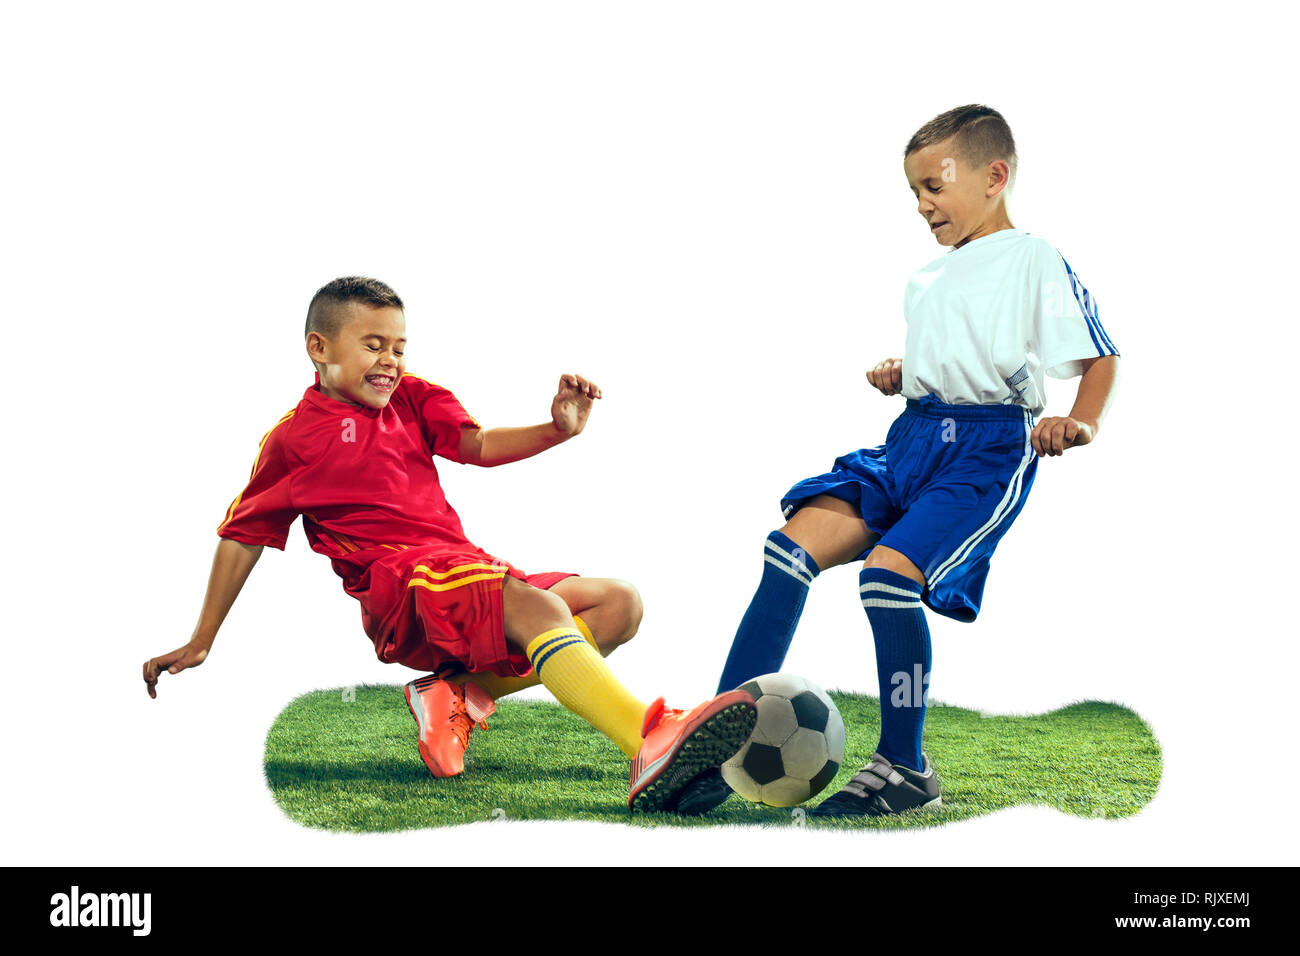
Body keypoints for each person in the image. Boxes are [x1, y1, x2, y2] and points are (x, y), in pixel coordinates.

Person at [143, 276, 755, 812]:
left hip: (461, 567)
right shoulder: (294, 441)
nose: (390, 361)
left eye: (399, 347)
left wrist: (557, 430)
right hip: (402, 587)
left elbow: (478, 446)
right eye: (373, 345)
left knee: (619, 604)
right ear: (318, 348)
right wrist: (202, 639)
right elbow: (242, 537)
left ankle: (458, 692)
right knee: (541, 610)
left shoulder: (411, 397)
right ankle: (646, 740)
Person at [680, 104, 1120, 817]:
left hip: (984, 452)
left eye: (934, 186)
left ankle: (904, 766)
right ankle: (711, 736)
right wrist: (907, 371)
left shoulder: (1033, 257)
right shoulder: (927, 277)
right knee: (787, 551)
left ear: (994, 177)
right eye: (913, 191)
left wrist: (1081, 422)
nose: (922, 205)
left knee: (888, 581)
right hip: (909, 440)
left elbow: (1100, 356)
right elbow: (954, 358)